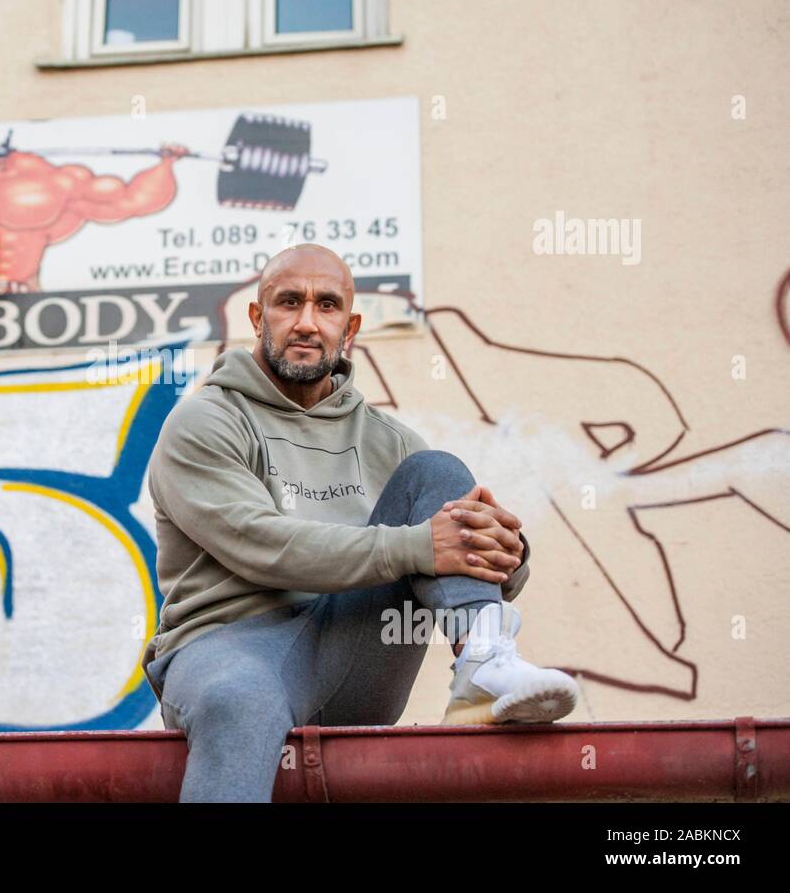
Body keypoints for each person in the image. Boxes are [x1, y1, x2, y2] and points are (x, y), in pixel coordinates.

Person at [142, 243, 579, 802]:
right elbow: (262, 544)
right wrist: (420, 547)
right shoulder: (204, 422)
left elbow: (446, 549)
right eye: (288, 302)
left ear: (349, 327)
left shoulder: (386, 439)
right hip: (232, 648)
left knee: (435, 473)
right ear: (257, 317)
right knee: (239, 699)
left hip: (358, 653)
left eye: (326, 306)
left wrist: (506, 551)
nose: (306, 322)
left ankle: (485, 663)